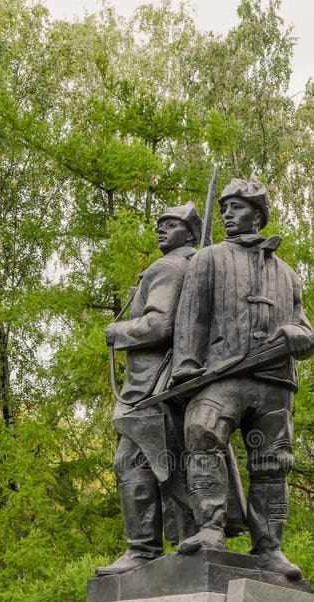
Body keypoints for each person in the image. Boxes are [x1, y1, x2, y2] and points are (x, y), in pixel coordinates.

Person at [170, 178, 314, 579]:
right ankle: (210, 529)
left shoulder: (288, 274)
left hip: (274, 381)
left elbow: (303, 323)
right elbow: (190, 317)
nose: (229, 214)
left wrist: (299, 333)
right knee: (201, 432)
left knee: (274, 463)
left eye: (237, 207)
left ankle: (270, 547)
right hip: (222, 371)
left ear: (258, 214)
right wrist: (186, 364)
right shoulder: (208, 258)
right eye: (226, 207)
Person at [96, 202, 201, 576]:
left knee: (134, 462)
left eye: (170, 224)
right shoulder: (194, 264)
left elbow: (158, 326)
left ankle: (142, 550)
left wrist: (116, 332)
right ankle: (191, 545)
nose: (160, 229)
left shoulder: (169, 267)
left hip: (152, 386)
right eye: (159, 223)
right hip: (174, 384)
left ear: (189, 233)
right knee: (176, 464)